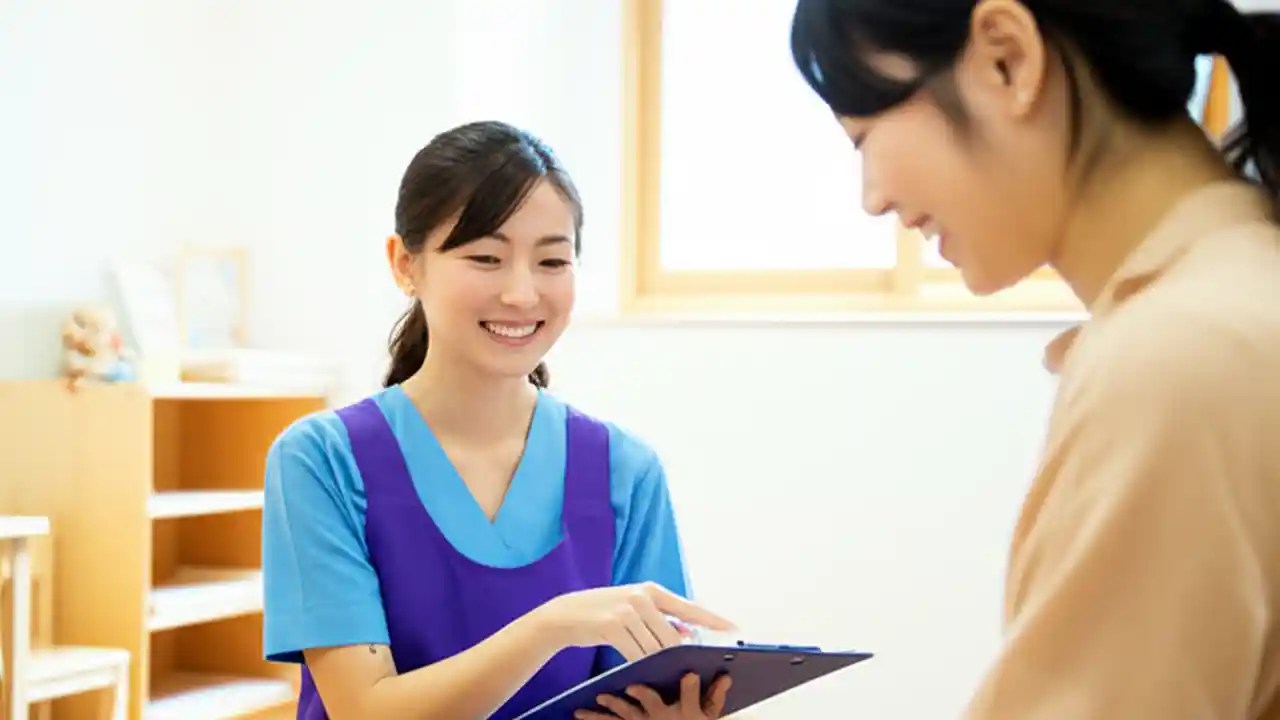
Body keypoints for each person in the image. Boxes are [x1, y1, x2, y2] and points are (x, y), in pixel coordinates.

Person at [790, 0, 1280, 717]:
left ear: (1007, 59)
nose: (873, 198)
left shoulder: (1181, 357)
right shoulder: (1233, 292)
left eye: (865, 136)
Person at [261, 120, 735, 720]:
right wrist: (550, 627)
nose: (521, 293)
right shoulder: (322, 460)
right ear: (405, 264)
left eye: (552, 261)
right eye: (486, 257)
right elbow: (366, 710)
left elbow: (636, 697)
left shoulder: (625, 470)